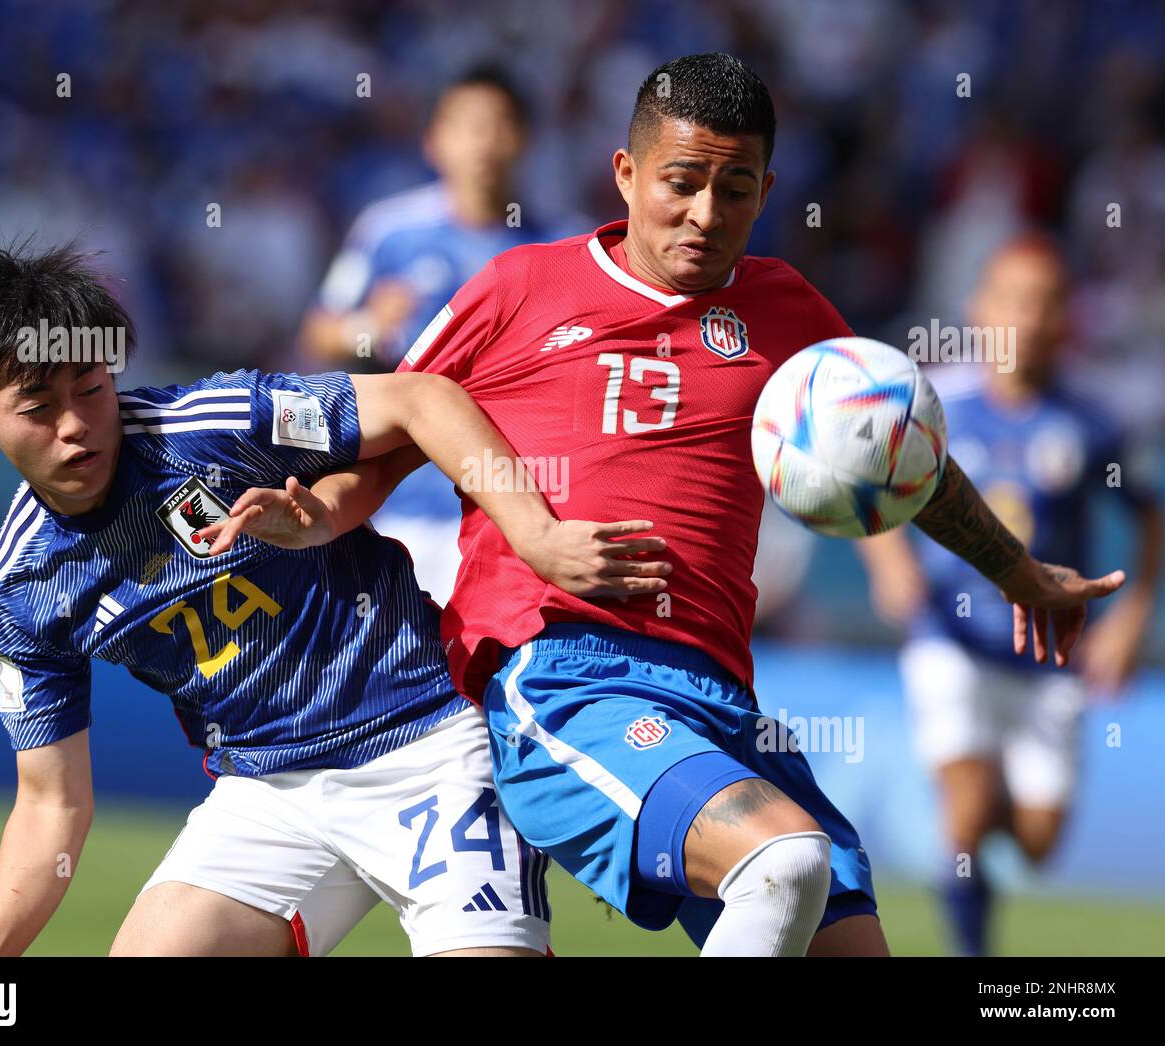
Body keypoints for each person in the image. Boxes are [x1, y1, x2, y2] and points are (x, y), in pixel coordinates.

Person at [215, 53, 1123, 957]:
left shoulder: (788, 312)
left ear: (767, 190)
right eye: (682, 183)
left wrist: (1019, 572)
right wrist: (324, 514)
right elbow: (395, 436)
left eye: (735, 190)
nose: (704, 214)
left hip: (722, 697)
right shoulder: (520, 288)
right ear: (627, 172)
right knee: (785, 863)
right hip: (567, 673)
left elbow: (901, 459)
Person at [0, 244, 668, 957]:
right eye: (37, 406)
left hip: (433, 739)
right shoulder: (22, 590)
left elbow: (421, 399)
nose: (74, 425)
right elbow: (51, 804)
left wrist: (536, 534)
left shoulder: (212, 427)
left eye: (91, 389)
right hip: (269, 789)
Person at [858, 235, 1161, 955]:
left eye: (1044, 302)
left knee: (1037, 843)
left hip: (1050, 657)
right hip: (950, 639)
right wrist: (888, 562)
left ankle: (986, 820)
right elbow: (864, 479)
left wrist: (1131, 620)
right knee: (963, 817)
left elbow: (1150, 516)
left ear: (1066, 319)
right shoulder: (936, 407)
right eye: (1011, 299)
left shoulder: (1093, 421)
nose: (1024, 318)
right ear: (978, 308)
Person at [301, 64, 577, 604]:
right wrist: (369, 328)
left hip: (511, 512)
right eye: (469, 125)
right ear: (435, 141)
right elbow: (318, 333)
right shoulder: (389, 232)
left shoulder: (563, 245)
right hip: (399, 503)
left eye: (500, 125)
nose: (485, 143)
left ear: (524, 140)